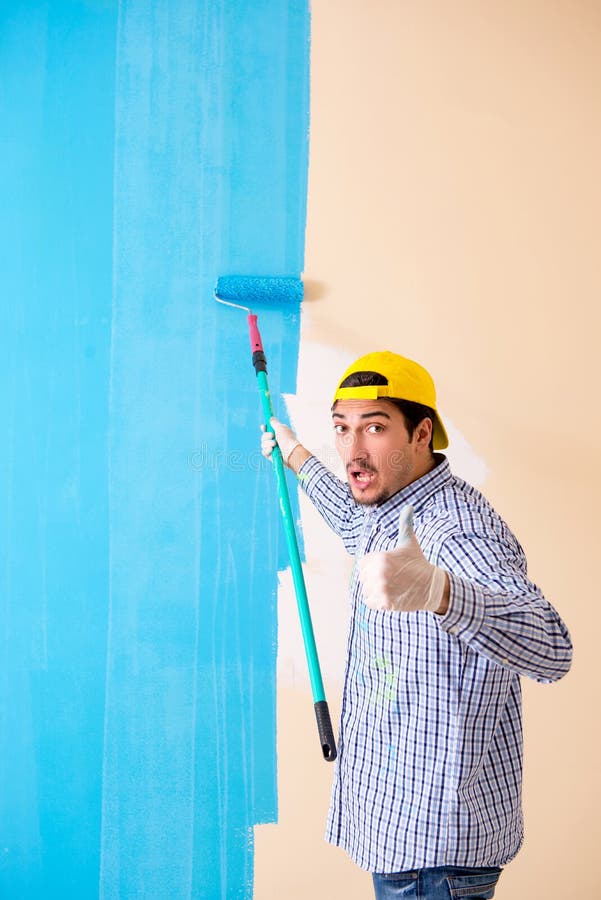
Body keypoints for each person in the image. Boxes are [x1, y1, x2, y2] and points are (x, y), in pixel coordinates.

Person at [261, 351, 572, 900]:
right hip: (405, 834)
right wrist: (297, 456)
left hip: (434, 859)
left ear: (422, 433)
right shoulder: (391, 506)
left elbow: (552, 648)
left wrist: (441, 592)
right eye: (342, 428)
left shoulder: (456, 531)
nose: (353, 452)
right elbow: (354, 519)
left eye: (374, 428)